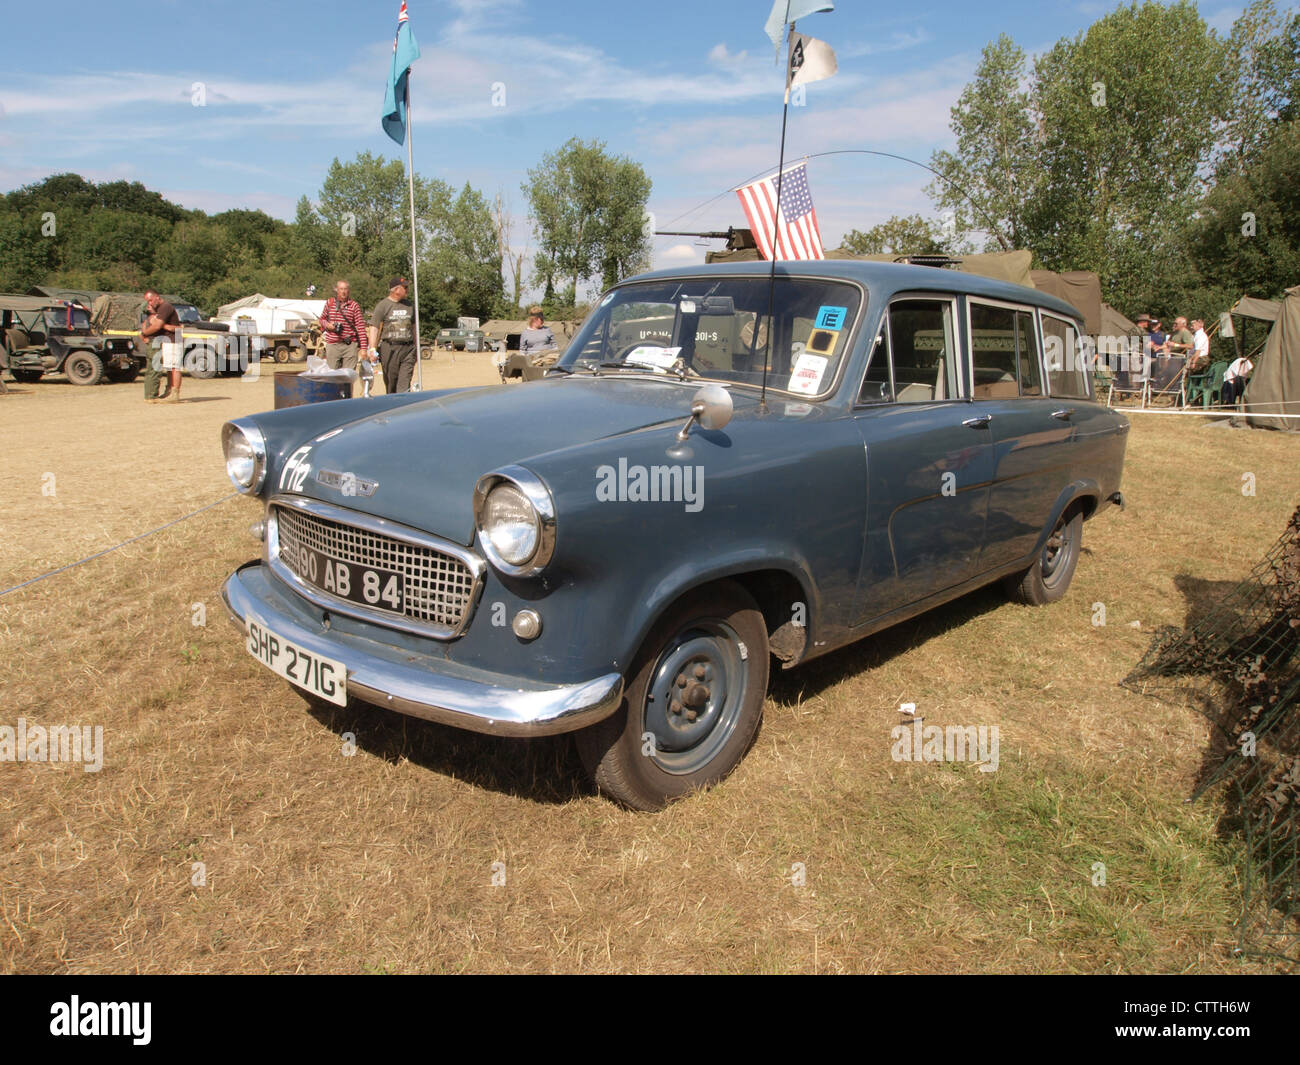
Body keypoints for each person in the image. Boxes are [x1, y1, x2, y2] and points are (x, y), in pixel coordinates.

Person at [368, 277, 417, 394]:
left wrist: (416, 346)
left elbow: (414, 327)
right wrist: (372, 349)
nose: (407, 289)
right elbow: (374, 328)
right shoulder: (383, 305)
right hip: (390, 349)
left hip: (408, 349)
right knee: (391, 385)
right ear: (396, 290)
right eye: (405, 287)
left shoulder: (409, 305)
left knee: (404, 386)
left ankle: (404, 407)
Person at [141, 289, 181, 402]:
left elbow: (157, 325)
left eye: (150, 300)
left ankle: (175, 393)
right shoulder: (158, 309)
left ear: (157, 297)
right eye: (147, 301)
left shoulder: (165, 307)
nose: (149, 303)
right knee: (169, 367)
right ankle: (169, 391)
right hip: (167, 340)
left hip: (173, 340)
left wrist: (144, 333)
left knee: (174, 367)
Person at [319, 280, 369, 371]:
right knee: (332, 375)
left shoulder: (354, 306)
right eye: (341, 289)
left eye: (345, 289)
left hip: (349, 345)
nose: (343, 291)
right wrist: (328, 325)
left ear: (348, 291)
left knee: (348, 375)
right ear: (337, 290)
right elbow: (322, 319)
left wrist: (364, 348)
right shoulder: (330, 303)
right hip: (333, 344)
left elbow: (361, 327)